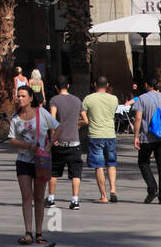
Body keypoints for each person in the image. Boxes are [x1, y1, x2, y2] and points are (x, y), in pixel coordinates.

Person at [9, 84, 59, 246]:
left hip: (41, 161)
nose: (20, 98)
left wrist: (49, 145)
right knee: (26, 197)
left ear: (31, 98)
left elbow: (58, 127)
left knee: (38, 198)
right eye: (19, 96)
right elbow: (12, 139)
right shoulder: (15, 118)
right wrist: (27, 146)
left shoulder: (41, 113)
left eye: (23, 96)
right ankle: (28, 232)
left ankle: (39, 232)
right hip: (23, 160)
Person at [134, 75, 161, 205]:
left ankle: (152, 188)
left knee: (143, 162)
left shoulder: (142, 99)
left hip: (147, 138)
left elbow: (138, 119)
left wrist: (136, 136)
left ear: (147, 85)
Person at [81, 75, 120, 203]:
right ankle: (113, 189)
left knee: (99, 166)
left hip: (95, 135)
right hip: (110, 134)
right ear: (107, 85)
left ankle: (103, 196)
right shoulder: (114, 99)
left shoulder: (88, 99)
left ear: (94, 84)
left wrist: (87, 120)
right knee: (111, 163)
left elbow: (83, 114)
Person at [47, 78, 83, 209]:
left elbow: (52, 119)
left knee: (54, 171)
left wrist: (53, 137)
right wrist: (76, 124)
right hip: (74, 142)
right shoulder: (77, 100)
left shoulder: (54, 100)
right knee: (76, 173)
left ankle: (51, 199)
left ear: (56, 87)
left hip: (60, 142)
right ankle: (75, 200)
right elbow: (85, 119)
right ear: (68, 85)